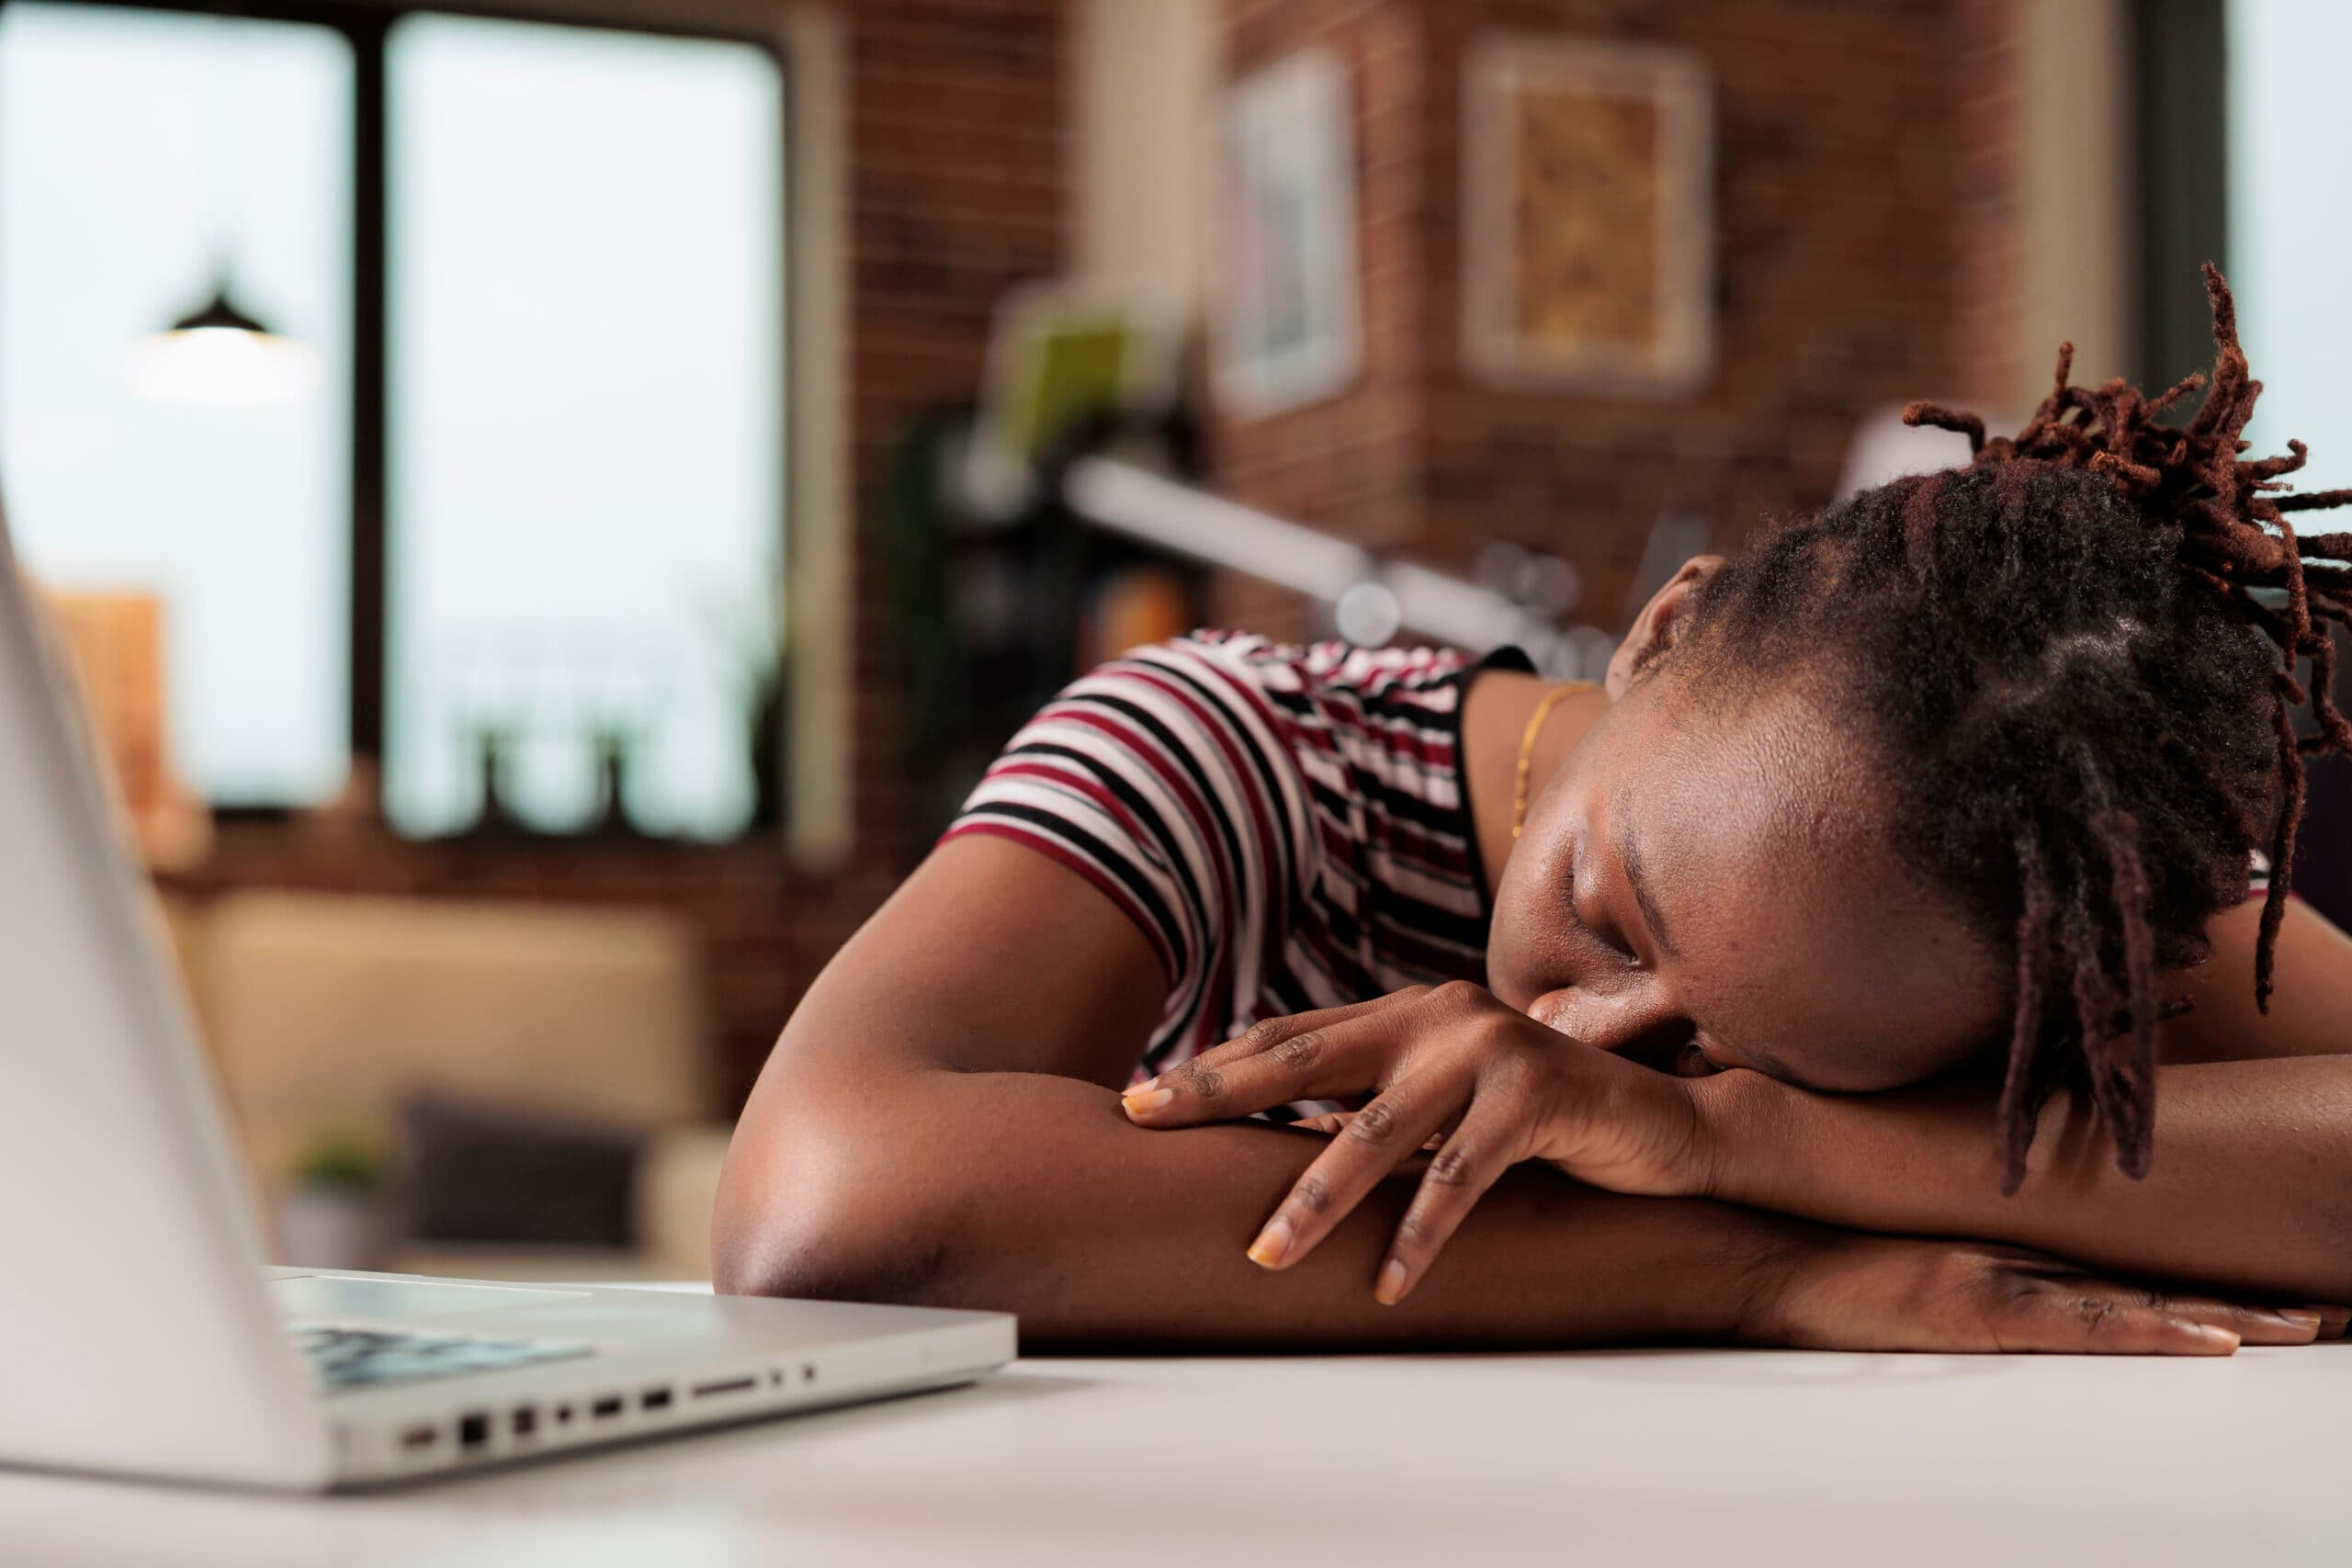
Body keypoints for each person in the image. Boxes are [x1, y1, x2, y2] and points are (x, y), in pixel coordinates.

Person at [714, 267, 2352, 1355]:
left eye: (1734, 1048)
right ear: (1665, 626)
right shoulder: (1225, 749)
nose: (1586, 1029)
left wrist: (1734, 1140)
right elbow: (834, 1219)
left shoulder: (2028, 897)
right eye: (1615, 909)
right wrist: (1769, 1266)